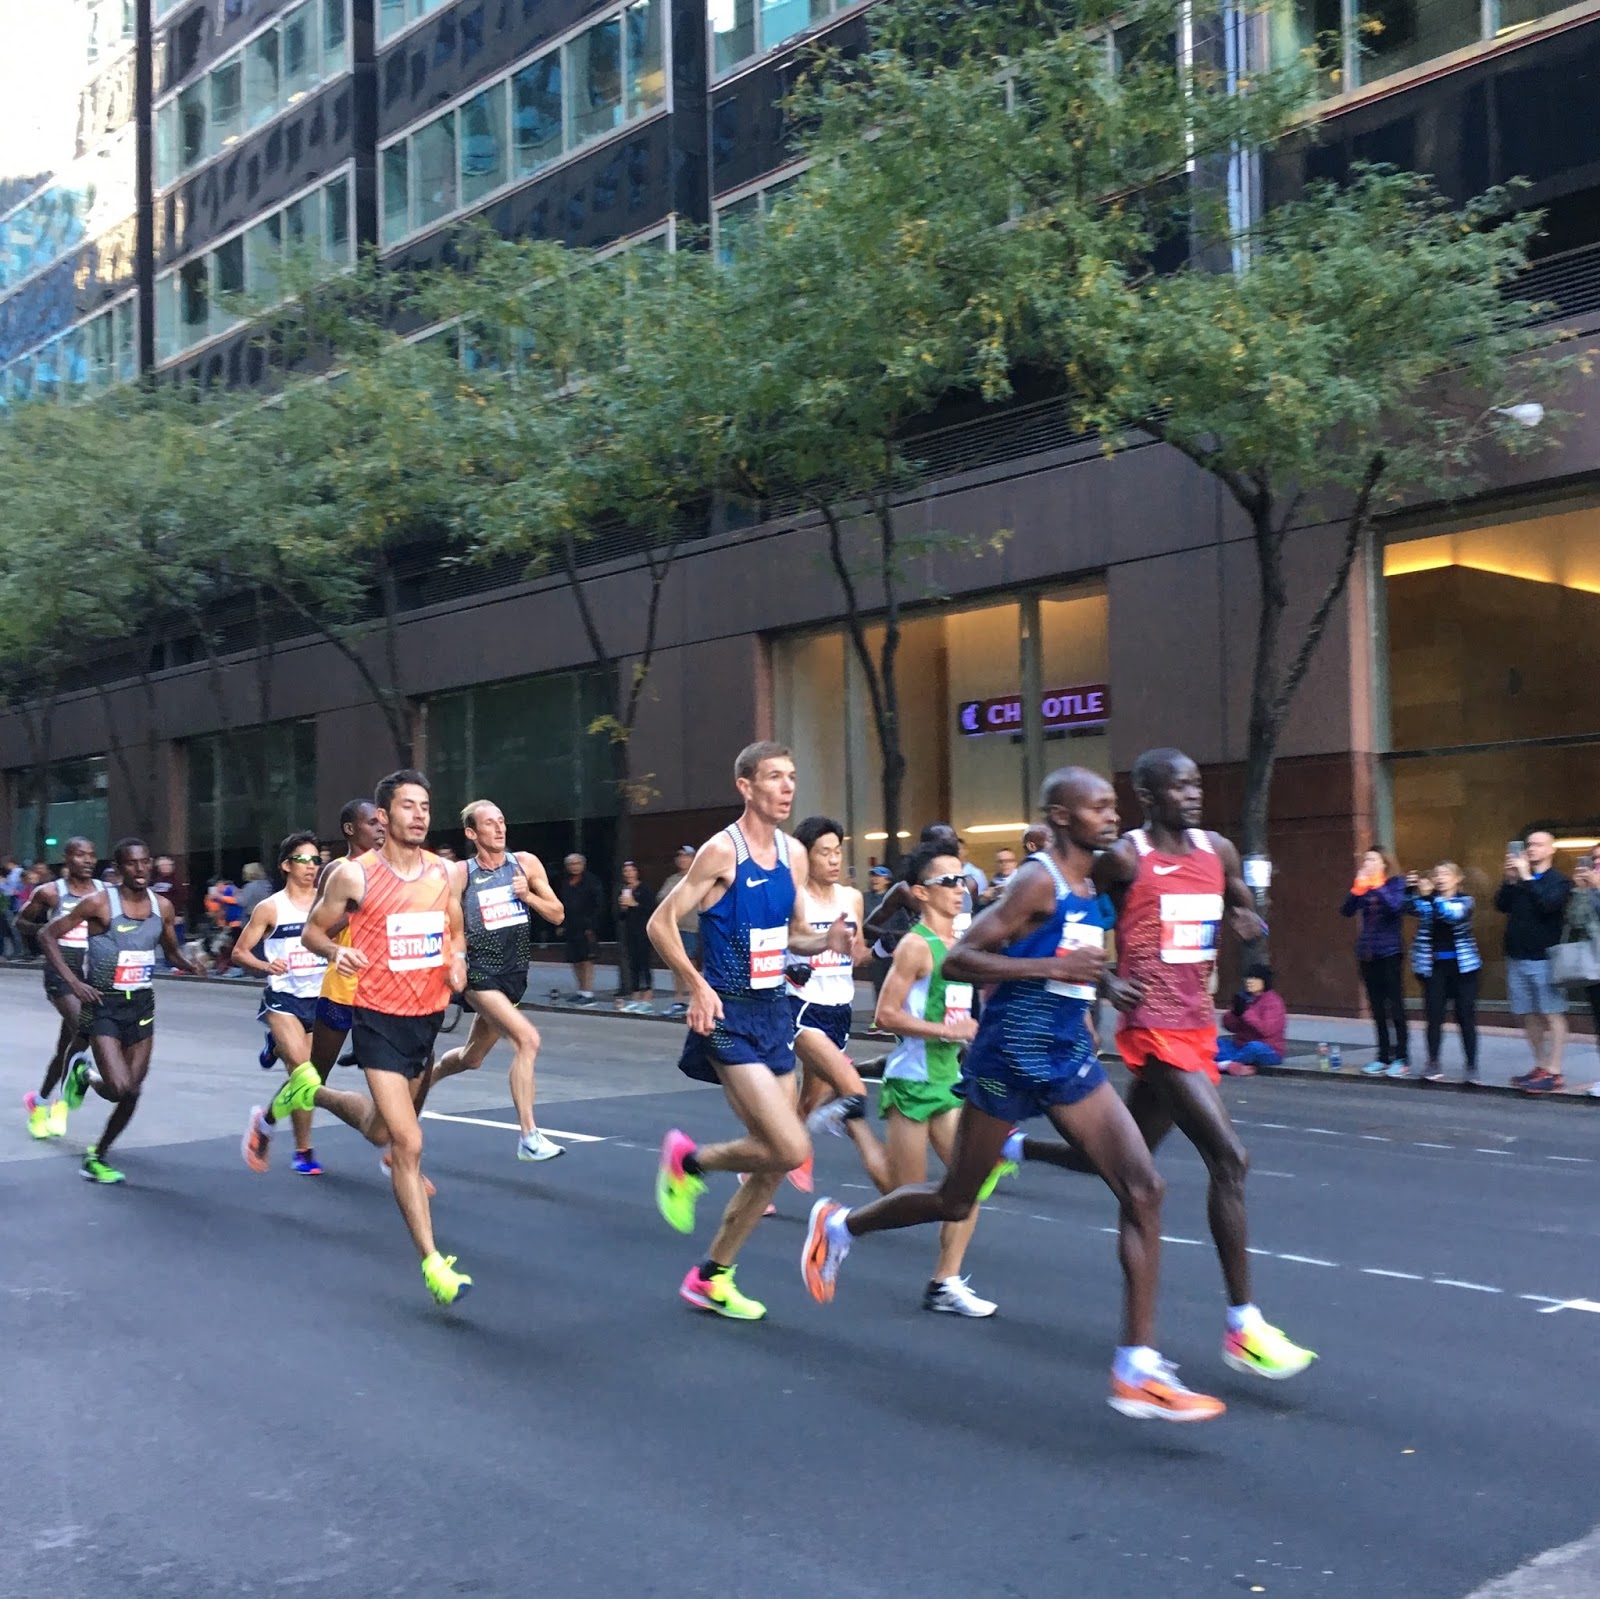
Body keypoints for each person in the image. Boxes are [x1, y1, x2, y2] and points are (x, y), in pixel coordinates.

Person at [804, 767, 1225, 1421]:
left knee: (1144, 1187)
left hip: (1067, 1058)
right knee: (955, 1197)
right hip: (1007, 1061)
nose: (1112, 816)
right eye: (1098, 807)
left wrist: (1104, 981)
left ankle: (1136, 1366)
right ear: (1061, 816)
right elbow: (964, 958)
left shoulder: (1095, 881)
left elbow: (1079, 950)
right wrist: (1054, 967)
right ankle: (839, 1224)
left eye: (1115, 805)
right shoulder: (1038, 880)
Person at [1095, 747, 1316, 1381]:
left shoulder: (1216, 851)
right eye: (1178, 786)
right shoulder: (1126, 858)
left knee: (1112, 1155)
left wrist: (1250, 919)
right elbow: (1072, 919)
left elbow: (1244, 902)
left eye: (1196, 784)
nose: (1192, 795)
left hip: (1197, 1026)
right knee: (1229, 1158)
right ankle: (1243, 1325)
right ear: (1148, 794)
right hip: (1152, 1030)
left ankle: (1016, 1152)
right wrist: (1106, 979)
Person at [648, 741, 853, 1322]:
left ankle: (711, 1277)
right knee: (791, 1145)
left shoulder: (792, 853)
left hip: (774, 1015)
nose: (787, 788)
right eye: (774, 778)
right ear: (746, 786)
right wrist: (696, 984)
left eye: (791, 777)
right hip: (727, 1017)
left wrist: (826, 942)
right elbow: (660, 923)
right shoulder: (721, 852)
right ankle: (687, 1164)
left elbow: (792, 936)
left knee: (774, 1164)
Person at [297, 769, 473, 1305]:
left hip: (426, 1020)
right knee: (408, 1144)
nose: (420, 814)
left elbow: (455, 927)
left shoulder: (446, 874)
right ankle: (432, 1261)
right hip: (375, 1019)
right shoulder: (354, 876)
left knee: (380, 1131)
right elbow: (311, 930)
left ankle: (312, 1091)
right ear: (384, 816)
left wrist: (458, 961)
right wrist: (335, 952)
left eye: (425, 806)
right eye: (408, 806)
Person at [869, 841, 997, 1315]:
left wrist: (971, 1036)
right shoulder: (916, 946)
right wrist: (946, 1030)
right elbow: (885, 1015)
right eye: (948, 881)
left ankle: (944, 1283)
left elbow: (959, 1010)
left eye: (963, 879)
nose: (960, 888)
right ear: (921, 893)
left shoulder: (963, 945)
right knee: (902, 1195)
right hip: (911, 1081)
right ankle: (851, 1124)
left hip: (949, 1081)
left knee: (971, 1184)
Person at [38, 837, 205, 1183]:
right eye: (132, 863)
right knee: (118, 1088)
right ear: (118, 868)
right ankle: (84, 1074)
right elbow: (47, 935)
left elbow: (170, 952)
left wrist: (190, 965)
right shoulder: (98, 903)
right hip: (104, 1006)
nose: (141, 868)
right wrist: (73, 981)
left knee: (132, 1091)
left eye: (145, 862)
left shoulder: (163, 908)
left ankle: (97, 1156)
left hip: (142, 1006)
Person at [428, 799, 567, 1161]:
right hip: (480, 974)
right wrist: (453, 962)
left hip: (513, 976)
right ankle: (529, 1137)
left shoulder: (526, 864)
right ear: (472, 833)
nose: (499, 828)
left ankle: (425, 1079)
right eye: (489, 824)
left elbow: (557, 914)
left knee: (472, 1059)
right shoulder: (462, 873)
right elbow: (445, 923)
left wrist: (528, 895)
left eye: (502, 821)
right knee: (527, 1039)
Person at [789, 816, 889, 1195]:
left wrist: (885, 946)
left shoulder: (852, 898)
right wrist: (818, 942)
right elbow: (791, 940)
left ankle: (760, 1167)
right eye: (823, 853)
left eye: (837, 852)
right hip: (802, 1005)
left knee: (810, 1100)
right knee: (850, 1087)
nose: (833, 860)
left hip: (839, 1006)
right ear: (806, 857)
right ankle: (809, 1142)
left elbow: (858, 953)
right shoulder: (795, 896)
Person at [232, 833, 329, 1175]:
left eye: (316, 860)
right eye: (303, 860)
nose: (311, 867)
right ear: (287, 865)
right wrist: (265, 965)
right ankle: (304, 1150)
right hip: (283, 999)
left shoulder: (327, 903)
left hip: (319, 1000)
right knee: (303, 1074)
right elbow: (239, 952)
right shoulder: (270, 907)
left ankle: (267, 1123)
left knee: (309, 1079)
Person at [15, 836, 102, 1139]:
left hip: (93, 971)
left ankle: (41, 1103)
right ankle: (66, 1102)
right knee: (86, 1029)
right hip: (61, 972)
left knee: (66, 1047)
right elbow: (20, 922)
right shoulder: (50, 892)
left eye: (92, 855)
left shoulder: (104, 892)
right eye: (80, 855)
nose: (88, 860)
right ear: (67, 859)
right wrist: (45, 932)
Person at [1496, 829, 1572, 1093]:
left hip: (1545, 958)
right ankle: (1540, 1065)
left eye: (1539, 845)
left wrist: (1526, 876)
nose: (1531, 849)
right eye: (1529, 844)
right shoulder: (1519, 879)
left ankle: (1555, 1070)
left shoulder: (1559, 881)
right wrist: (1509, 879)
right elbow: (1501, 905)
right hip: (1517, 955)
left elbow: (1548, 906)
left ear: (1552, 850)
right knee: (1528, 1014)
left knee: (1552, 1013)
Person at [1405, 862, 1481, 1085]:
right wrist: (1409, 889)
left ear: (1458, 879)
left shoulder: (1465, 901)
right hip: (1434, 968)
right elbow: (1407, 907)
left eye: (1446, 874)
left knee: (1465, 1016)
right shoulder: (1427, 902)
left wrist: (1433, 897)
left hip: (1463, 968)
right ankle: (1433, 1062)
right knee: (1434, 1015)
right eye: (1436, 874)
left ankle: (1471, 1065)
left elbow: (1450, 915)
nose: (1440, 878)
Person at [1342, 847, 1411, 1077]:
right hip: (1367, 953)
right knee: (1378, 1008)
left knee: (1395, 1007)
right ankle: (1382, 1056)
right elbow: (1346, 911)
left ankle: (1401, 1057)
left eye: (1372, 859)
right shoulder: (1365, 887)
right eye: (1366, 859)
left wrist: (1377, 885)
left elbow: (1395, 908)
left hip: (1390, 953)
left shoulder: (1395, 883)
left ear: (1384, 864)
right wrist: (1357, 889)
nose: (1367, 862)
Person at [1215, 964, 1287, 1075]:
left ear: (1264, 981)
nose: (1250, 981)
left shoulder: (1273, 1002)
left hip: (1269, 1050)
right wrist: (1235, 1013)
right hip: (1240, 1046)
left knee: (1254, 1047)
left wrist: (1246, 1013)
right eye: (1248, 978)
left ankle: (1227, 1064)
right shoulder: (1244, 998)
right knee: (1217, 1043)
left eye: (1255, 978)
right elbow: (1230, 1027)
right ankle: (1231, 1064)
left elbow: (1267, 1030)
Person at [1569, 854, 1600, 1097]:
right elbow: (1576, 921)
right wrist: (1581, 891)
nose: (1595, 864)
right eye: (1594, 859)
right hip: (1595, 964)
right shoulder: (1587, 890)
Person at [557, 853, 605, 1005]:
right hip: (571, 925)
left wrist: (591, 925)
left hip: (586, 927)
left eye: (577, 863)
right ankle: (581, 990)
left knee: (587, 959)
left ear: (583, 865)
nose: (574, 866)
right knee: (575, 959)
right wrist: (560, 924)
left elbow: (598, 904)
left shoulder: (591, 881)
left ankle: (588, 992)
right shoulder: (565, 882)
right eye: (571, 864)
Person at [657, 846, 699, 1015]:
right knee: (676, 963)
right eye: (680, 856)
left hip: (692, 927)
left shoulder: (698, 878)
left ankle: (695, 998)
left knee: (690, 962)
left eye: (686, 856)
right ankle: (679, 1000)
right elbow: (661, 897)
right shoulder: (672, 879)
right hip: (674, 926)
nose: (682, 860)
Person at [614, 861, 657, 1012]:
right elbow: (621, 916)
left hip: (643, 932)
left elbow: (651, 909)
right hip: (630, 932)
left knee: (644, 964)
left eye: (631, 871)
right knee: (633, 966)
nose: (628, 874)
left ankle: (647, 1000)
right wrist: (623, 908)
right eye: (626, 871)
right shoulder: (624, 889)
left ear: (637, 872)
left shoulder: (644, 889)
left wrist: (635, 904)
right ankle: (635, 998)